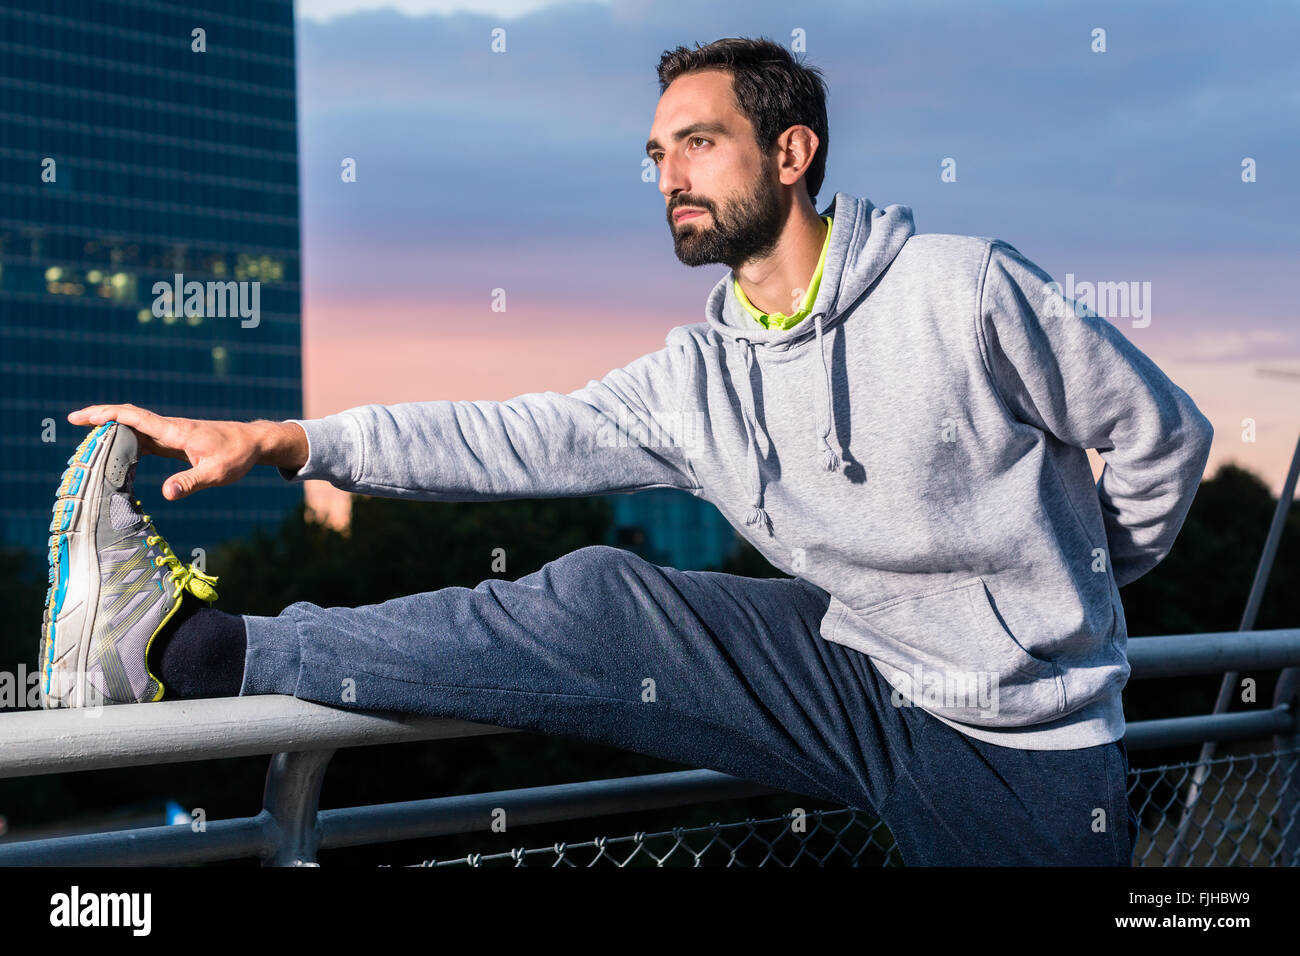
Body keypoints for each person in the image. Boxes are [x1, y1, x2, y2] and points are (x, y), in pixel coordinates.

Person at [39, 37, 1213, 865]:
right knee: (596, 595)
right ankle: (192, 649)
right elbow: (506, 437)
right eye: (656, 154)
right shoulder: (697, 377)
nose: (669, 176)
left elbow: (1163, 434)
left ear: (792, 150)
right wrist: (287, 438)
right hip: (854, 673)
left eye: (698, 144)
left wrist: (1059, 600)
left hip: (1021, 746)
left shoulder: (962, 290)